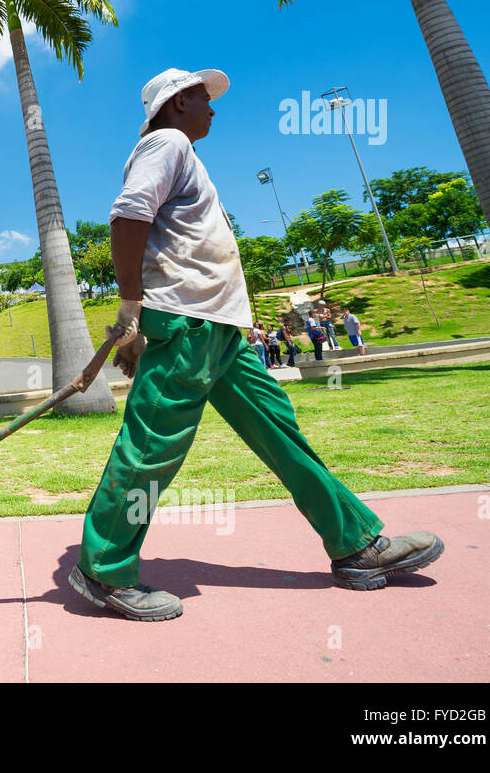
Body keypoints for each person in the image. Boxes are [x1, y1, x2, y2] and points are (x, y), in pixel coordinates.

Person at [68, 68, 443, 621]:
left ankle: (357, 545)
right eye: (203, 99)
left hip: (222, 332)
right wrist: (130, 308)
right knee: (151, 450)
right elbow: (127, 215)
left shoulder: (183, 153)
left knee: (283, 435)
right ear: (176, 105)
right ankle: (104, 570)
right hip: (188, 327)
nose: (212, 109)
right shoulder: (164, 142)